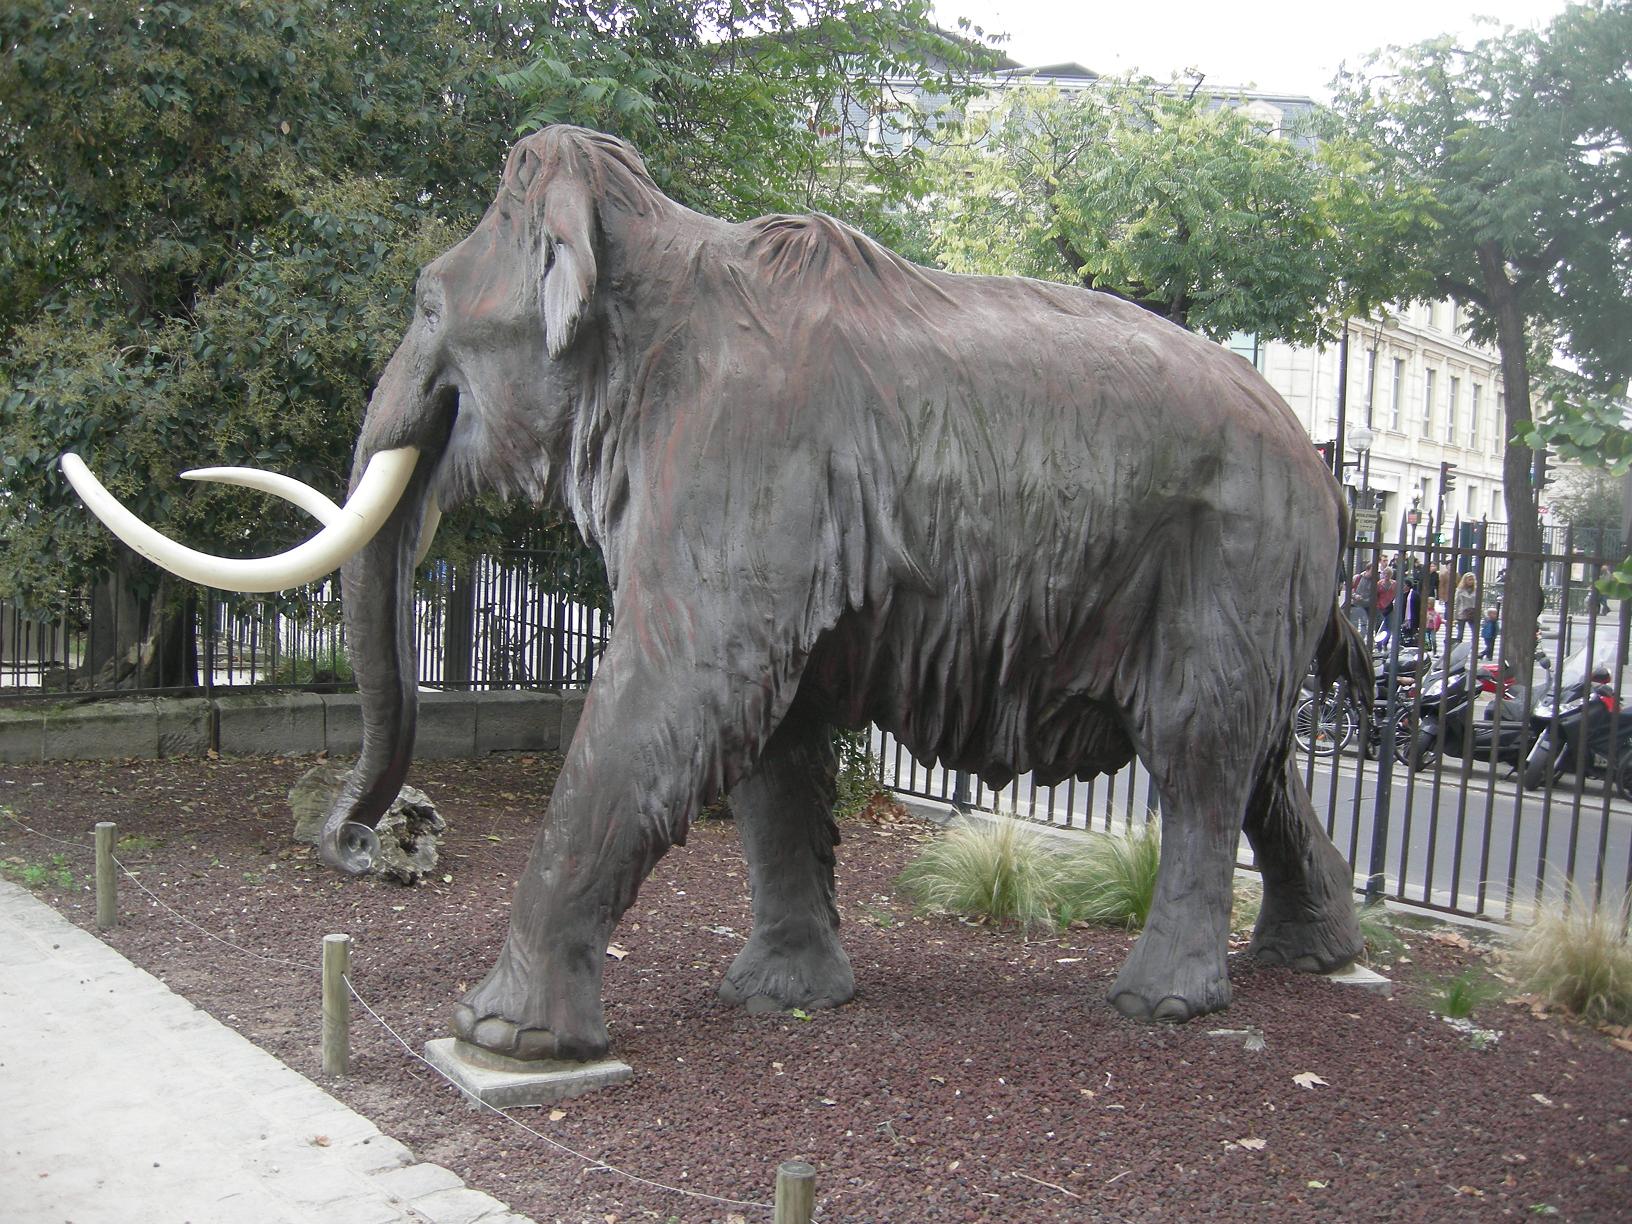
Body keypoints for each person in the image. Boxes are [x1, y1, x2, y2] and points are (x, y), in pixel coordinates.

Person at [1350, 563, 1379, 638]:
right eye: (1372, 571)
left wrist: (1367, 600)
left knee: (1365, 625)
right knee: (1354, 624)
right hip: (1356, 605)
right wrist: (1355, 596)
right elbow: (1350, 590)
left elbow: (1375, 595)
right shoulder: (1357, 578)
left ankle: (1361, 639)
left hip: (1367, 607)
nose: (1374, 573)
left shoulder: (1375, 581)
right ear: (1367, 570)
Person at [1452, 572, 1479, 644]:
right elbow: (1456, 603)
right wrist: (1455, 616)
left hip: (1473, 612)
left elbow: (1479, 603)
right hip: (1462, 612)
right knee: (1460, 633)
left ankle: (1473, 647)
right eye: (1469, 580)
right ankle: (1458, 646)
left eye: (1472, 580)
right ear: (1465, 580)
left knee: (1475, 632)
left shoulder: (1476, 590)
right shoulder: (1460, 590)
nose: (1471, 581)